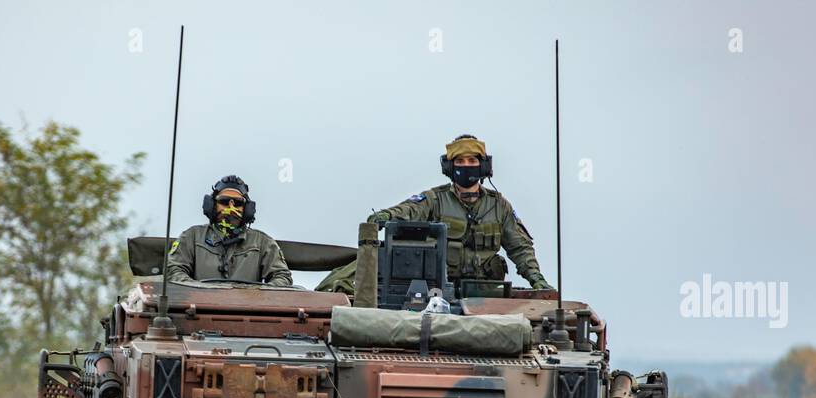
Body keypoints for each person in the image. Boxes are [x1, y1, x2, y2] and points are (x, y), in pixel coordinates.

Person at [318, 134, 551, 294]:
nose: (466, 165)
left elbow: (520, 249)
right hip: (438, 292)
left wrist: (537, 281)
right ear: (450, 167)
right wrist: (384, 217)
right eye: (460, 161)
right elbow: (408, 211)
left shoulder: (499, 206)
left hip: (484, 295)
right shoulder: (435, 200)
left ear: (483, 166)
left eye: (472, 160)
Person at [165, 175, 293, 287]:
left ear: (247, 209)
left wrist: (258, 294)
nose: (231, 209)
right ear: (212, 206)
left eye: (237, 203)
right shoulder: (192, 237)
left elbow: (282, 277)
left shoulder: (262, 242)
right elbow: (174, 270)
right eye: (224, 202)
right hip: (199, 309)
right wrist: (199, 290)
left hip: (249, 310)